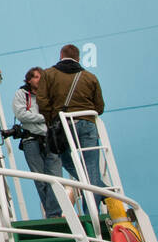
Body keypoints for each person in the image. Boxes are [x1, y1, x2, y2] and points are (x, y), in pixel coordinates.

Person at [37, 44, 106, 192]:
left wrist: (52, 120)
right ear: (78, 58)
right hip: (87, 123)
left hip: (63, 124)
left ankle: (98, 188)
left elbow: (42, 102)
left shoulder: (48, 74)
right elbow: (99, 107)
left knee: (65, 158)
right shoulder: (90, 77)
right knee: (91, 166)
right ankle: (98, 192)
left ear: (61, 56)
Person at [13, 66, 63, 218]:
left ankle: (53, 214)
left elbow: (57, 112)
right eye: (36, 77)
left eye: (41, 77)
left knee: (56, 178)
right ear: (29, 80)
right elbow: (21, 115)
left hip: (51, 138)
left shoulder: (50, 93)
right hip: (31, 140)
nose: (39, 80)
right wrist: (43, 117)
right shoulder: (22, 94)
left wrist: (40, 117)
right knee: (40, 180)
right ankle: (53, 214)